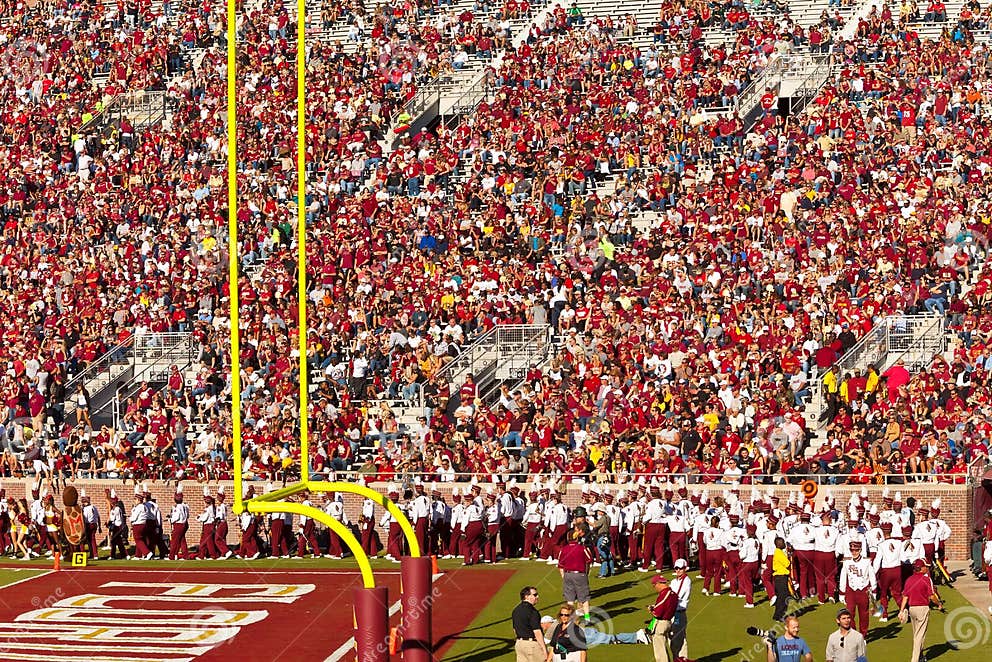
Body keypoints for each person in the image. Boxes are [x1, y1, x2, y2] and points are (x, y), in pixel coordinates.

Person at [899, 559, 944, 662]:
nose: (927, 568)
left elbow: (905, 596)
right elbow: (932, 596)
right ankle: (915, 659)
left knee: (916, 634)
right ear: (921, 568)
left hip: (912, 609)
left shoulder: (909, 580)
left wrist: (901, 610)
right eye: (926, 566)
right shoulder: (926, 579)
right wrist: (939, 604)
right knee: (919, 636)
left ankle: (920, 657)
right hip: (922, 609)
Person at [839, 541, 875, 635]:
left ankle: (863, 635)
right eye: (852, 550)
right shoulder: (846, 561)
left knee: (864, 615)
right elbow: (843, 577)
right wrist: (842, 593)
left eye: (856, 550)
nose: (854, 552)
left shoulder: (867, 561)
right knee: (849, 614)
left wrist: (874, 592)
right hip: (851, 590)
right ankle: (854, 633)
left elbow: (872, 576)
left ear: (860, 550)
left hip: (864, 590)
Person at [540, 615, 649, 646]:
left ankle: (637, 636)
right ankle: (636, 638)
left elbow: (545, 642)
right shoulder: (558, 623)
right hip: (587, 633)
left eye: (542, 624)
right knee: (613, 639)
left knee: (613, 638)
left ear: (546, 623)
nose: (542, 627)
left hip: (586, 636)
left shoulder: (552, 627)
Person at [558, 528, 593, 618]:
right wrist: (586, 572)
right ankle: (587, 618)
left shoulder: (563, 549)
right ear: (577, 538)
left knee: (570, 599)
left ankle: (572, 618)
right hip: (580, 574)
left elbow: (560, 565)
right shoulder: (582, 548)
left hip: (568, 574)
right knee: (584, 598)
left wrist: (563, 576)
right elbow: (589, 560)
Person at [512, 586, 547, 662]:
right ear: (526, 596)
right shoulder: (533, 612)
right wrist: (544, 649)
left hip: (519, 644)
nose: (537, 597)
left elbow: (515, 630)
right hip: (532, 646)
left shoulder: (516, 610)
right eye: (535, 595)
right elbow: (537, 632)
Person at [649, 574, 678, 662]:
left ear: (658, 583)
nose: (655, 588)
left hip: (661, 624)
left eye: (654, 585)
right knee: (665, 649)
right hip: (668, 622)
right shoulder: (673, 594)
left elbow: (658, 612)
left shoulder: (665, 593)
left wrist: (652, 610)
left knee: (660, 652)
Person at [669, 558, 692, 662]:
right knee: (674, 639)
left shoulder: (686, 581)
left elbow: (675, 596)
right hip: (672, 613)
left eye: (680, 568)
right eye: (676, 568)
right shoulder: (674, 581)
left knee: (678, 639)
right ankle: (679, 659)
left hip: (678, 614)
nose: (678, 570)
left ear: (685, 568)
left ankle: (681, 659)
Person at [772, 536, 793, 622]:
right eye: (783, 543)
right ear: (779, 544)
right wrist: (789, 556)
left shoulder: (778, 552)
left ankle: (778, 614)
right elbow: (787, 563)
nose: (784, 544)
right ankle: (779, 615)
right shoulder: (779, 553)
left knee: (782, 596)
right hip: (780, 577)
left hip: (780, 577)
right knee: (783, 597)